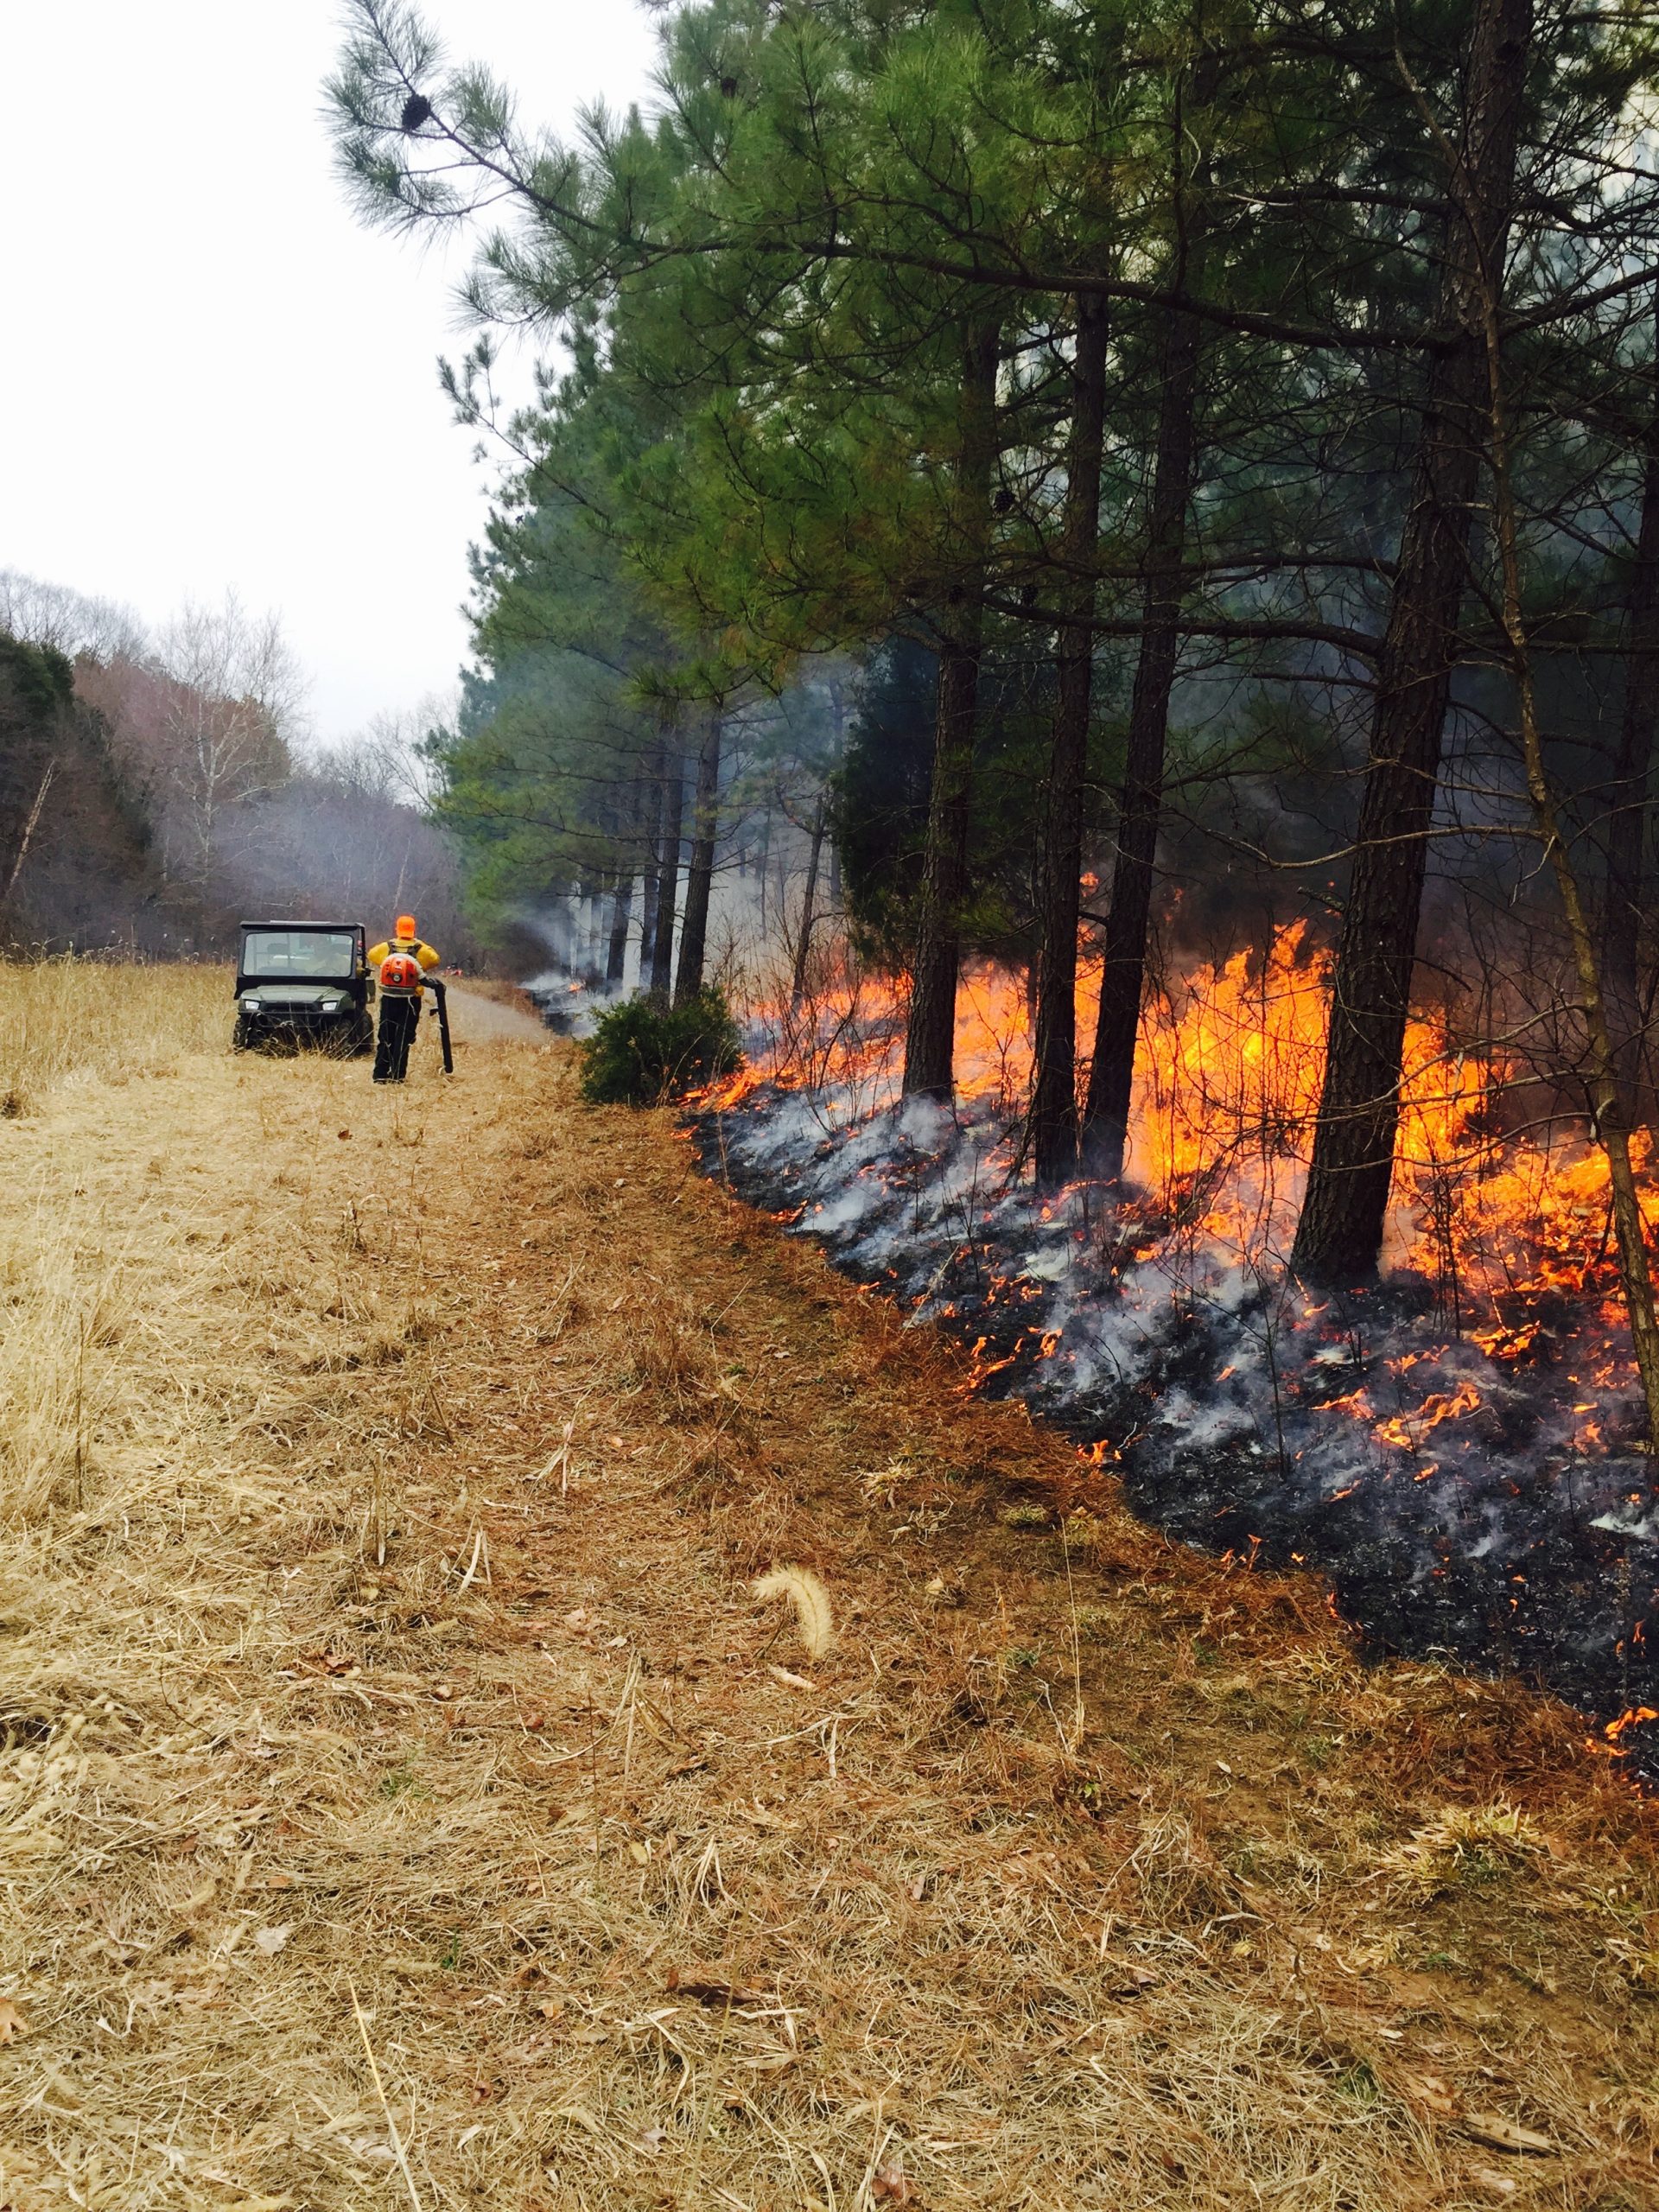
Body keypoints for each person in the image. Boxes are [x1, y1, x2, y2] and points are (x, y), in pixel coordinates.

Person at [367, 913, 441, 1084]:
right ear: (413, 930)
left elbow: (371, 954)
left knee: (386, 1036)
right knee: (404, 1037)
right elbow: (435, 959)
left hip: (389, 998)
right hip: (411, 1000)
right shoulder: (420, 949)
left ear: (397, 929)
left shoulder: (386, 947)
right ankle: (398, 1075)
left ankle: (380, 1074)